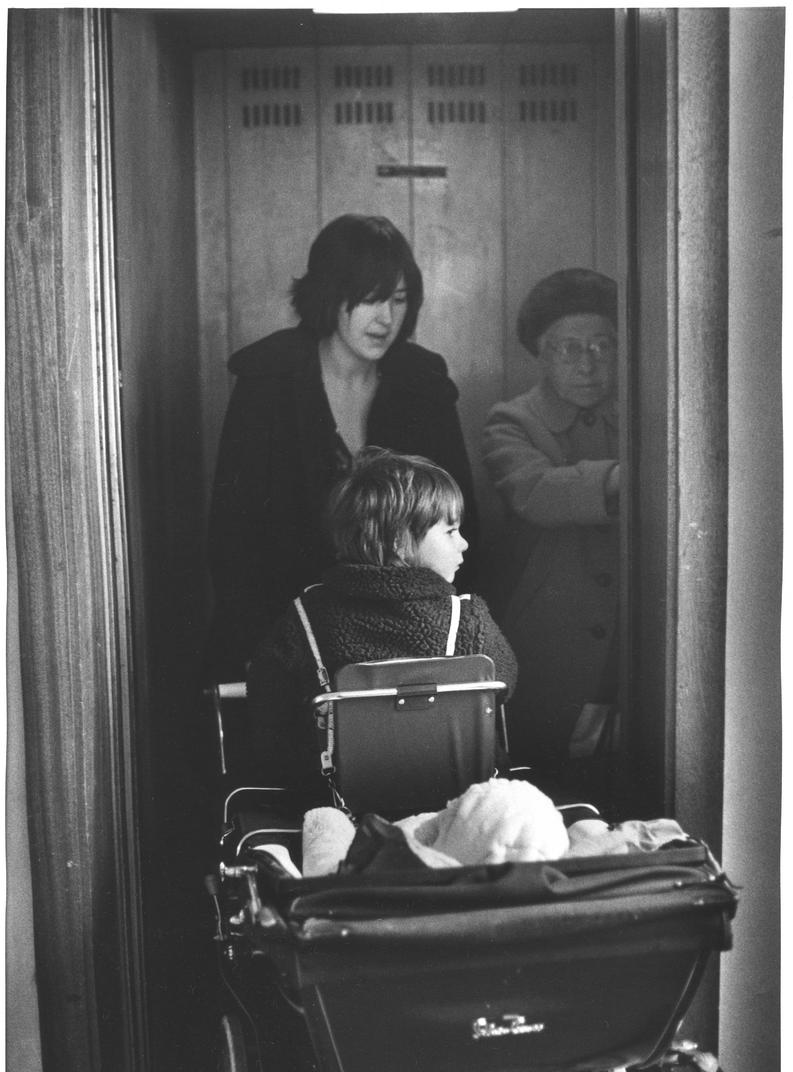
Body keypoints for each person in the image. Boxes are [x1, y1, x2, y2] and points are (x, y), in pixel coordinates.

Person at [205, 214, 478, 683]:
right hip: (287, 630)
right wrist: (259, 647)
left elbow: (462, 518)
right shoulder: (268, 381)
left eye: (398, 299)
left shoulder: (423, 383)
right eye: (370, 298)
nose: (386, 318)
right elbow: (233, 533)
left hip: (404, 634)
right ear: (331, 294)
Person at [247, 448, 516, 808]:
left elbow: (269, 711)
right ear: (398, 542)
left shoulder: (305, 620)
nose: (464, 543)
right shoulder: (467, 619)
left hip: (335, 803)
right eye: (451, 530)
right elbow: (505, 686)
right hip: (455, 802)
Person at [481, 268, 619, 775]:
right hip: (549, 642)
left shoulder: (648, 415)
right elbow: (537, 494)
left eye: (602, 346)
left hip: (633, 645)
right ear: (540, 354)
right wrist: (632, 477)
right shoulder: (512, 421)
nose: (588, 363)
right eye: (568, 348)